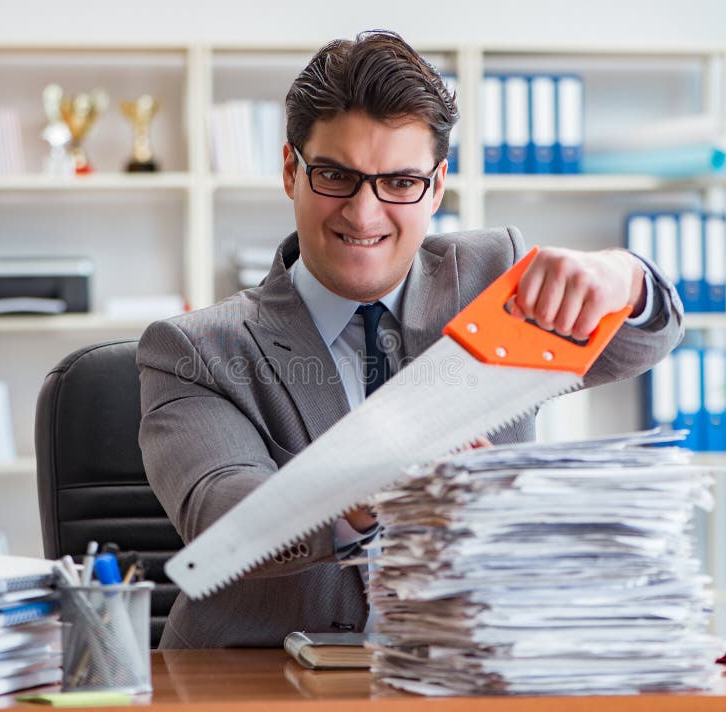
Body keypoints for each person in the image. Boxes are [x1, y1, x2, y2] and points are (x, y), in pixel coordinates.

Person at [137, 30, 683, 648]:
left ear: (438, 184)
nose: (364, 214)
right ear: (291, 171)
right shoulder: (198, 349)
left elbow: (641, 344)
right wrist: (370, 490)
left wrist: (623, 277)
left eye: (400, 182)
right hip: (266, 677)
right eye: (335, 175)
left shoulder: (489, 278)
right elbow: (221, 517)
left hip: (467, 666)